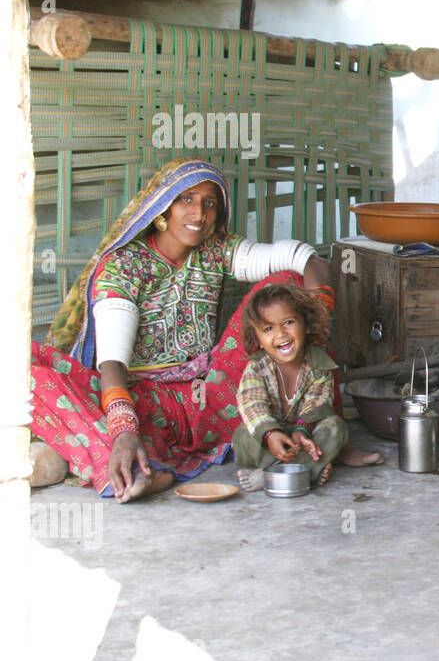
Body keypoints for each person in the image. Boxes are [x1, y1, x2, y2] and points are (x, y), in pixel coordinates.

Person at [28, 158, 376, 503]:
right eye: (187, 200)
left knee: (287, 292)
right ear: (162, 207)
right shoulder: (123, 265)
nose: (198, 214)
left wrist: (320, 308)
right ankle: (133, 464)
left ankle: (321, 434)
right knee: (23, 365)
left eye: (209, 203)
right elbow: (112, 365)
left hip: (211, 399)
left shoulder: (215, 250)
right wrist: (123, 430)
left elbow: (304, 259)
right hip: (144, 408)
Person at [233, 284, 347, 491]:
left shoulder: (320, 365)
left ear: (307, 325)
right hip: (268, 441)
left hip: (303, 438)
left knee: (335, 427)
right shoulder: (257, 368)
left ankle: (272, 476)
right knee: (243, 434)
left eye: (288, 322)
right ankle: (307, 470)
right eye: (268, 329)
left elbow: (318, 404)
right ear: (257, 339)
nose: (281, 334)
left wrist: (301, 431)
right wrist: (270, 435)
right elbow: (252, 403)